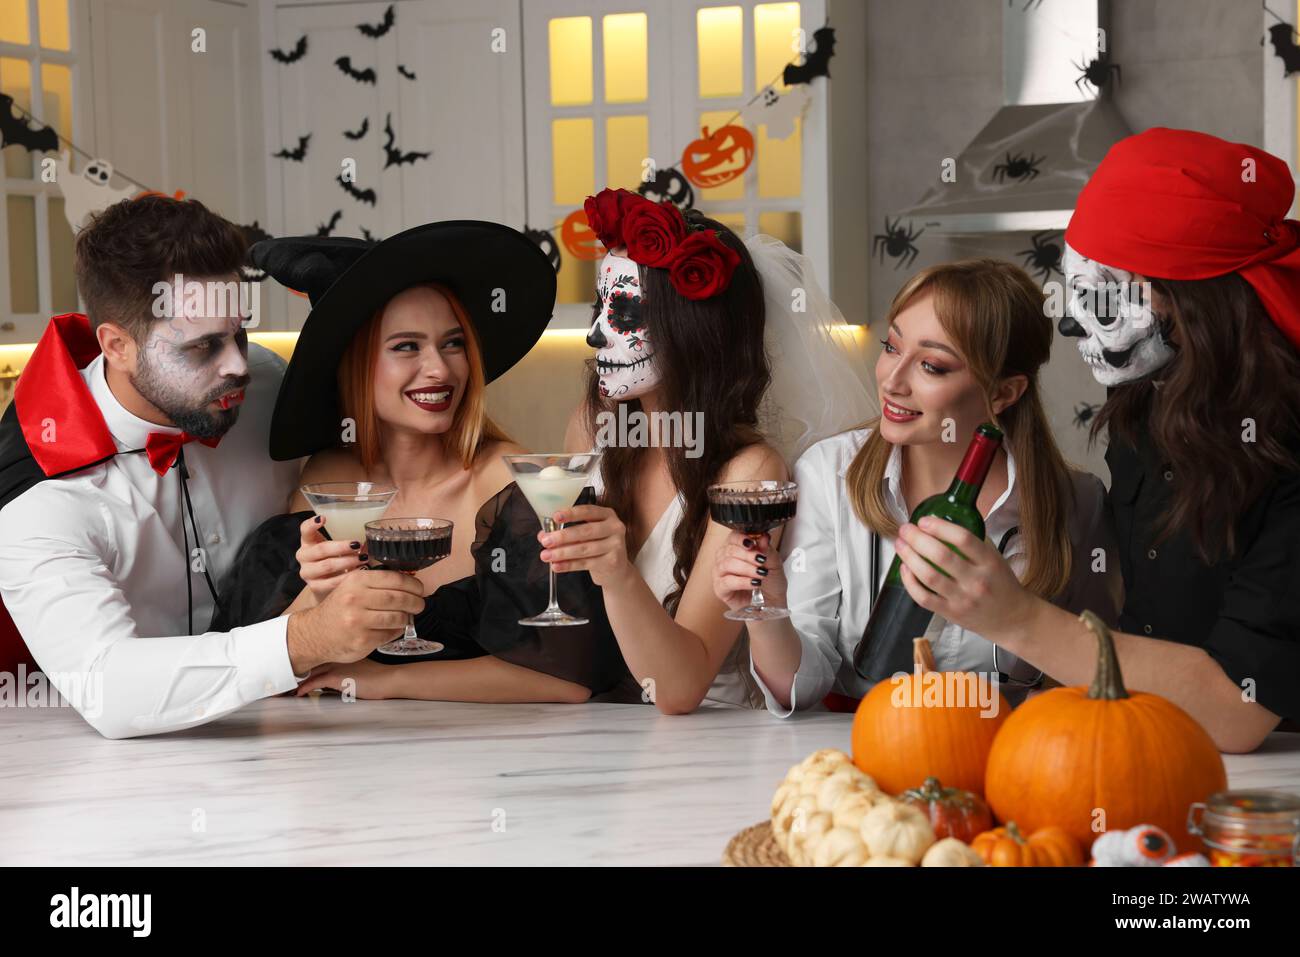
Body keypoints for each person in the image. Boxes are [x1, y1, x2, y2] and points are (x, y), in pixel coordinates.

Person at [890, 128, 1300, 752]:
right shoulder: (1142, 406)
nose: (1071, 319)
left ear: (1195, 306)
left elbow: (1238, 709)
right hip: (1146, 749)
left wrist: (1016, 618)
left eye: (1104, 295)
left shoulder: (1287, 445)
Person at [0, 196, 425, 739]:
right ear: (117, 346)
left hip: (302, 738)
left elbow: (401, 436)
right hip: (116, 779)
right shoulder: (39, 497)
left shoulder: (269, 386)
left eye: (239, 334)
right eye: (203, 348)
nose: (239, 366)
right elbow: (106, 689)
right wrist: (306, 640)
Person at [217, 222, 626, 703]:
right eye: (406, 346)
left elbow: (566, 679)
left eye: (452, 343)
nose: (440, 368)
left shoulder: (517, 486)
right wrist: (318, 597)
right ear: (354, 363)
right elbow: (255, 674)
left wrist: (388, 682)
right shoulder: (323, 485)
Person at [714, 259, 1122, 714]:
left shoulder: (1077, 503)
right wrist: (767, 612)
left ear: (1004, 393)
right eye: (891, 347)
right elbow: (800, 690)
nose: (892, 380)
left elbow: (1094, 676)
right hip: (859, 747)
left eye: (932, 365)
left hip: (1004, 755)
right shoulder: (828, 474)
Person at [548, 188, 868, 713]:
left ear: (694, 331)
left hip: (707, 745)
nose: (595, 335)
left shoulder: (749, 471)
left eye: (624, 310)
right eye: (597, 305)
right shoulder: (592, 429)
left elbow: (680, 689)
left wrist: (619, 574)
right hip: (598, 730)